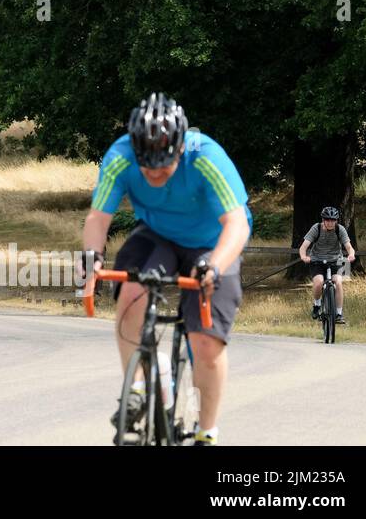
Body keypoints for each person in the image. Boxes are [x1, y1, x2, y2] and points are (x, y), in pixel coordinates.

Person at [81, 93, 251, 447]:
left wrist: (214, 266)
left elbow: (236, 223)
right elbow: (98, 217)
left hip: (213, 241)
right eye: (147, 166)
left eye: (164, 165)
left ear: (179, 149)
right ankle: (140, 387)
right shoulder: (120, 156)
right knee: (130, 291)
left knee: (205, 340)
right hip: (157, 235)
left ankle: (207, 430)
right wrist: (92, 258)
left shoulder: (205, 156)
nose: (155, 173)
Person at [299, 206, 355, 324]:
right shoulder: (316, 228)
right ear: (323, 220)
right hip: (317, 260)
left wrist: (350, 255)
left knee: (338, 283)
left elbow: (349, 247)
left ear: (336, 220)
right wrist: (304, 257)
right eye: (328, 220)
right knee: (318, 282)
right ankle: (317, 305)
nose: (330, 223)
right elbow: (303, 247)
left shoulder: (340, 229)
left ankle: (339, 314)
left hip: (336, 260)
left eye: (333, 220)